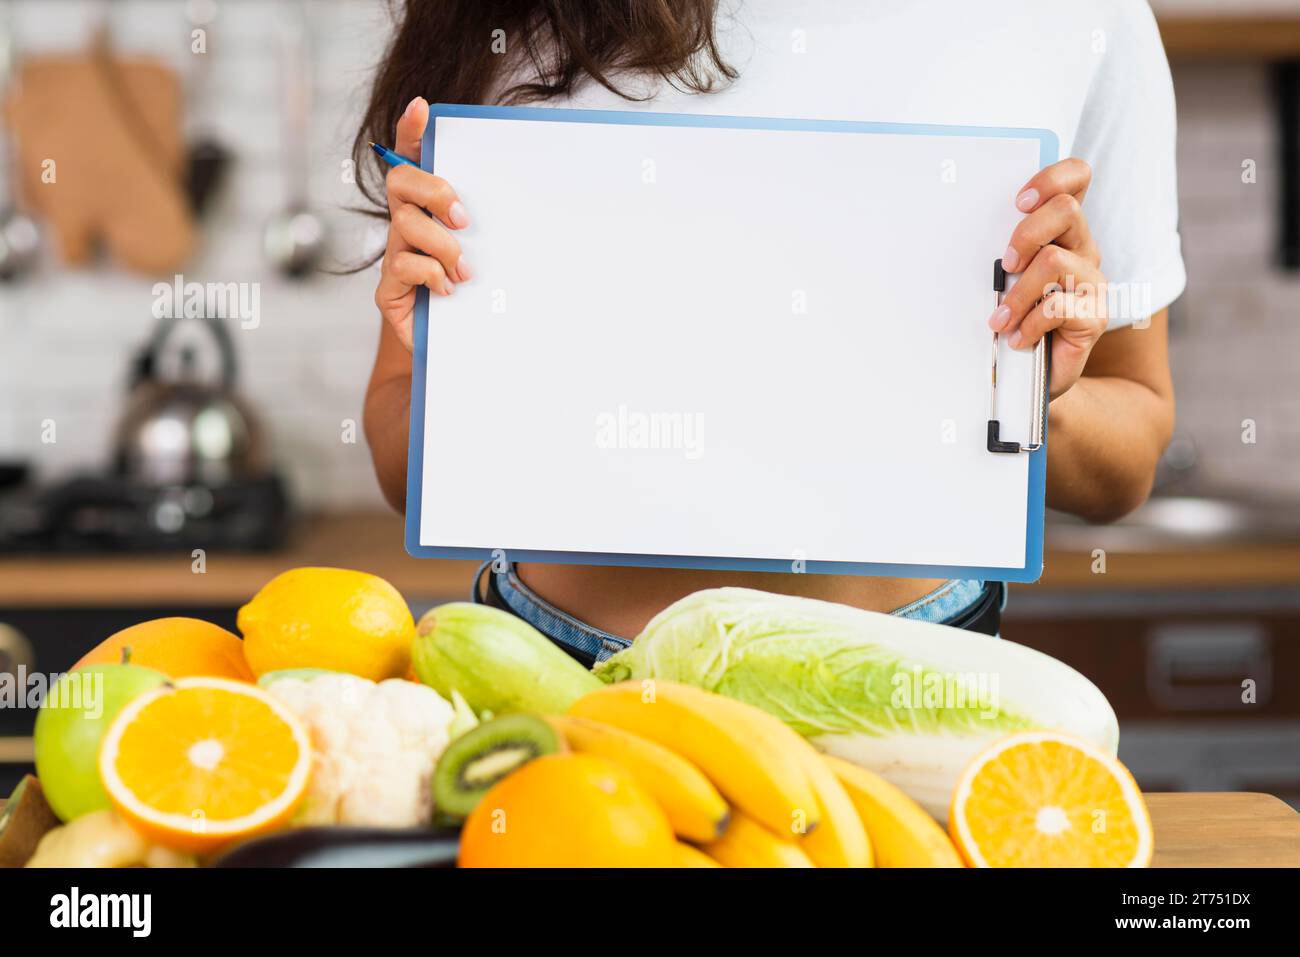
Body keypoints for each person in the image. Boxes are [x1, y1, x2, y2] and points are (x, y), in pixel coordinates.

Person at [355, 0, 1182, 664]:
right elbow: (399, 456)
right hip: (558, 666)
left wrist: (1033, 396)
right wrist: (452, 360)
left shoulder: (1087, 17)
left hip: (912, 667)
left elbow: (1128, 460)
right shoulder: (494, 15)